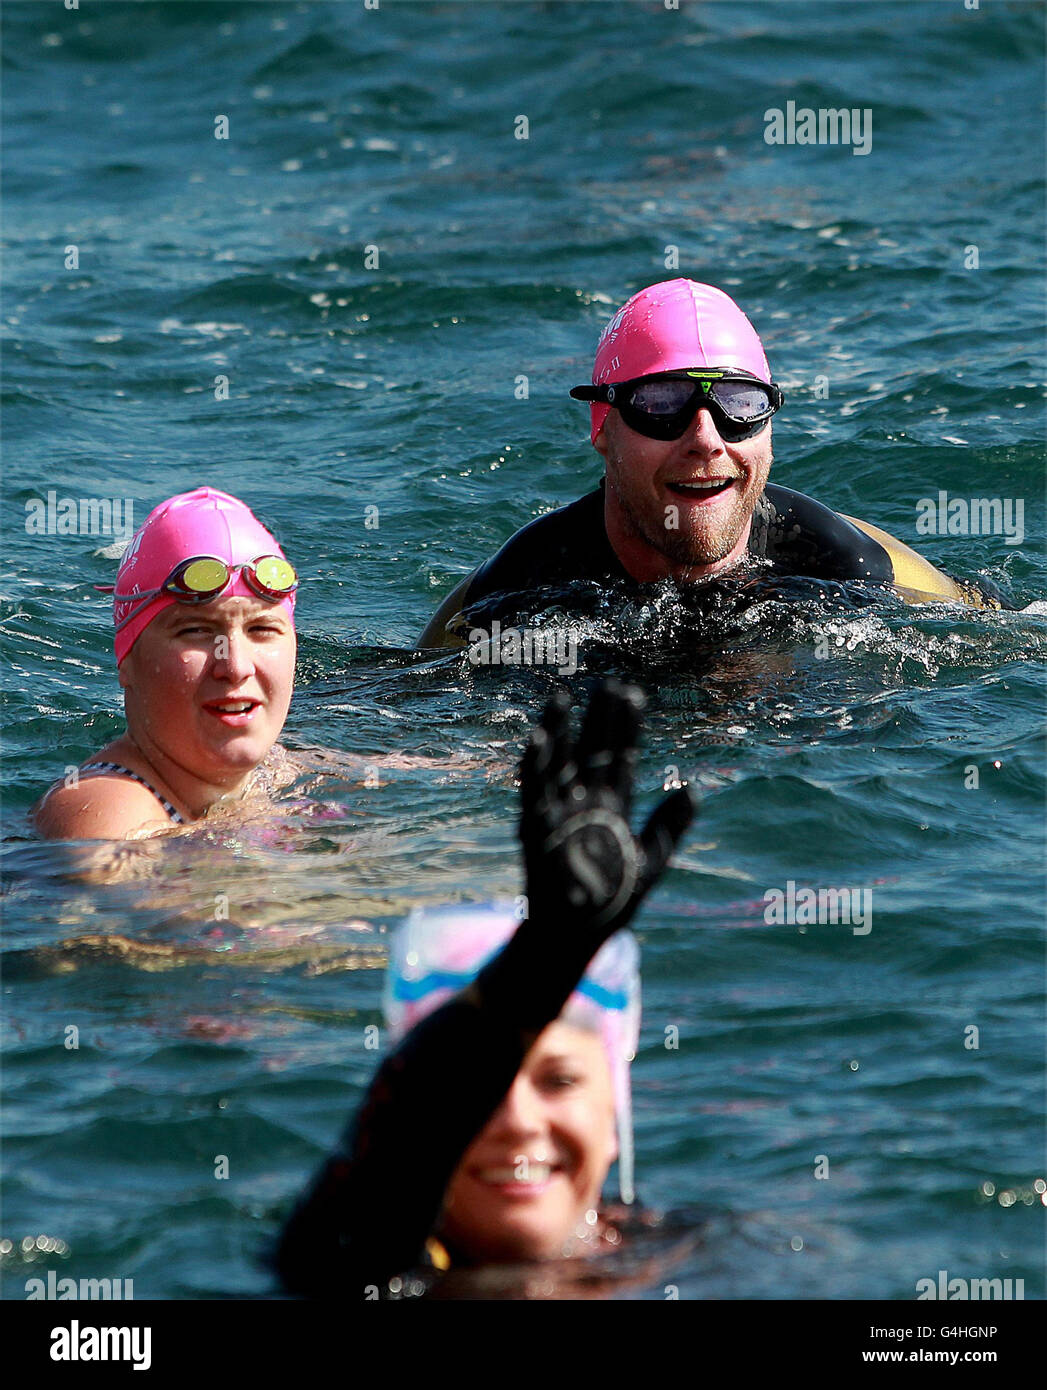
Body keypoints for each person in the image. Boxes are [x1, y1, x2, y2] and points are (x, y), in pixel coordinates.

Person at [275, 681, 695, 1296]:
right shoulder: (342, 1265)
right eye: (487, 1085)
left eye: (560, 1080)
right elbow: (395, 1158)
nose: (517, 1122)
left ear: (615, 1115)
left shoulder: (704, 1259)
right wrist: (548, 958)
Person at [418, 278, 1002, 649]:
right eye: (662, 404)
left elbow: (1004, 640)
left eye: (738, 405)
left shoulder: (846, 565)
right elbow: (388, 717)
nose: (706, 439)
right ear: (603, 425)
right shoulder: (518, 591)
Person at [33, 487, 298, 840]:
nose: (235, 666)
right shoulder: (104, 813)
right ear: (127, 659)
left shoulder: (277, 770)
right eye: (196, 631)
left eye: (262, 628)